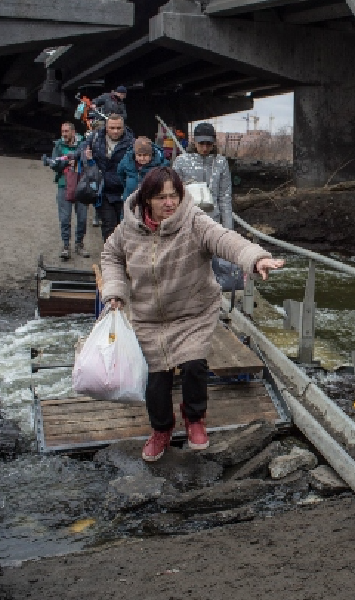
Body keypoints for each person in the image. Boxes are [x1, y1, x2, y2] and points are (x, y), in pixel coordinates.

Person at [100, 166, 284, 462]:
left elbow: (226, 239)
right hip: (148, 316)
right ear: (147, 199)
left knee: (194, 366)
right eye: (161, 197)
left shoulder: (194, 221)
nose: (169, 203)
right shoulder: (128, 229)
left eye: (174, 195)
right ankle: (161, 430)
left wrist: (256, 258)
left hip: (192, 312)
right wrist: (115, 291)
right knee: (156, 379)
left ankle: (195, 419)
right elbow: (110, 257)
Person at [80, 114, 134, 240]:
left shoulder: (131, 142)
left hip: (123, 192)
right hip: (103, 191)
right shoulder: (96, 138)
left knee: (124, 228)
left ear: (123, 128)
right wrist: (86, 158)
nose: (115, 131)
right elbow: (82, 150)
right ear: (106, 127)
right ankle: (110, 257)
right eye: (112, 128)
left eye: (118, 128)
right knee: (108, 227)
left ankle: (123, 258)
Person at [172, 122, 233, 229]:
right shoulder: (181, 162)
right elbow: (174, 194)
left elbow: (225, 197)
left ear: (213, 143)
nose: (205, 148)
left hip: (213, 222)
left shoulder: (220, 162)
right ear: (194, 142)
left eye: (208, 144)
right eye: (201, 143)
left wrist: (228, 230)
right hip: (187, 221)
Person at [49, 122, 88, 260]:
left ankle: (79, 244)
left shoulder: (83, 143)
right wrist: (66, 162)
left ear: (73, 132)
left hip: (81, 185)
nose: (64, 134)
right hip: (63, 184)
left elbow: (89, 161)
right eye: (62, 131)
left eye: (66, 131)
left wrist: (78, 161)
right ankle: (66, 246)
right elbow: (54, 165)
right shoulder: (59, 145)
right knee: (65, 219)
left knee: (82, 219)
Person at [118, 136, 169, 202]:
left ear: (151, 155)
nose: (142, 158)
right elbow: (120, 174)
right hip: (130, 198)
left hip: (151, 199)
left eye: (145, 155)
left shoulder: (160, 165)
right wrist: (127, 186)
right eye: (139, 155)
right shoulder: (127, 161)